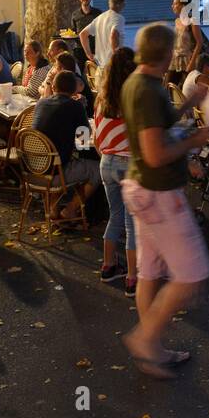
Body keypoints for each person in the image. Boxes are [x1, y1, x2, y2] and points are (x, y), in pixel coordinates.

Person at [119, 22, 209, 379]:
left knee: (150, 272)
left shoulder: (138, 83)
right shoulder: (147, 90)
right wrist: (195, 141)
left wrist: (189, 103)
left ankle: (152, 349)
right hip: (158, 191)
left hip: (140, 188)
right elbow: (156, 154)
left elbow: (157, 125)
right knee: (192, 273)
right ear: (167, 52)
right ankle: (145, 339)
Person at [93, 47, 138, 293]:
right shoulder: (134, 98)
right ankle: (133, 278)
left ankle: (108, 266)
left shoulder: (102, 99)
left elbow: (97, 139)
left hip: (106, 163)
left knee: (115, 216)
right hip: (129, 164)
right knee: (132, 225)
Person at [33, 69, 100, 223]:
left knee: (59, 155)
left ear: (54, 87)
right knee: (97, 169)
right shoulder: (74, 106)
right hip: (55, 174)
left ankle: (53, 210)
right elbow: (83, 143)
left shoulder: (41, 102)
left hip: (32, 169)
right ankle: (70, 210)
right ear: (74, 90)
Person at [82, 0, 125, 67]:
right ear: (120, 4)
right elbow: (114, 35)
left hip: (99, 66)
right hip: (112, 66)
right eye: (123, 3)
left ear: (109, 3)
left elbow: (83, 34)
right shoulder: (118, 18)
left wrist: (89, 54)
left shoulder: (100, 17)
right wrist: (117, 58)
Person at [71, 0, 102, 67]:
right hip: (79, 50)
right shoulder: (75, 14)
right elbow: (73, 32)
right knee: (81, 74)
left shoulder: (98, 13)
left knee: (95, 74)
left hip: (94, 49)